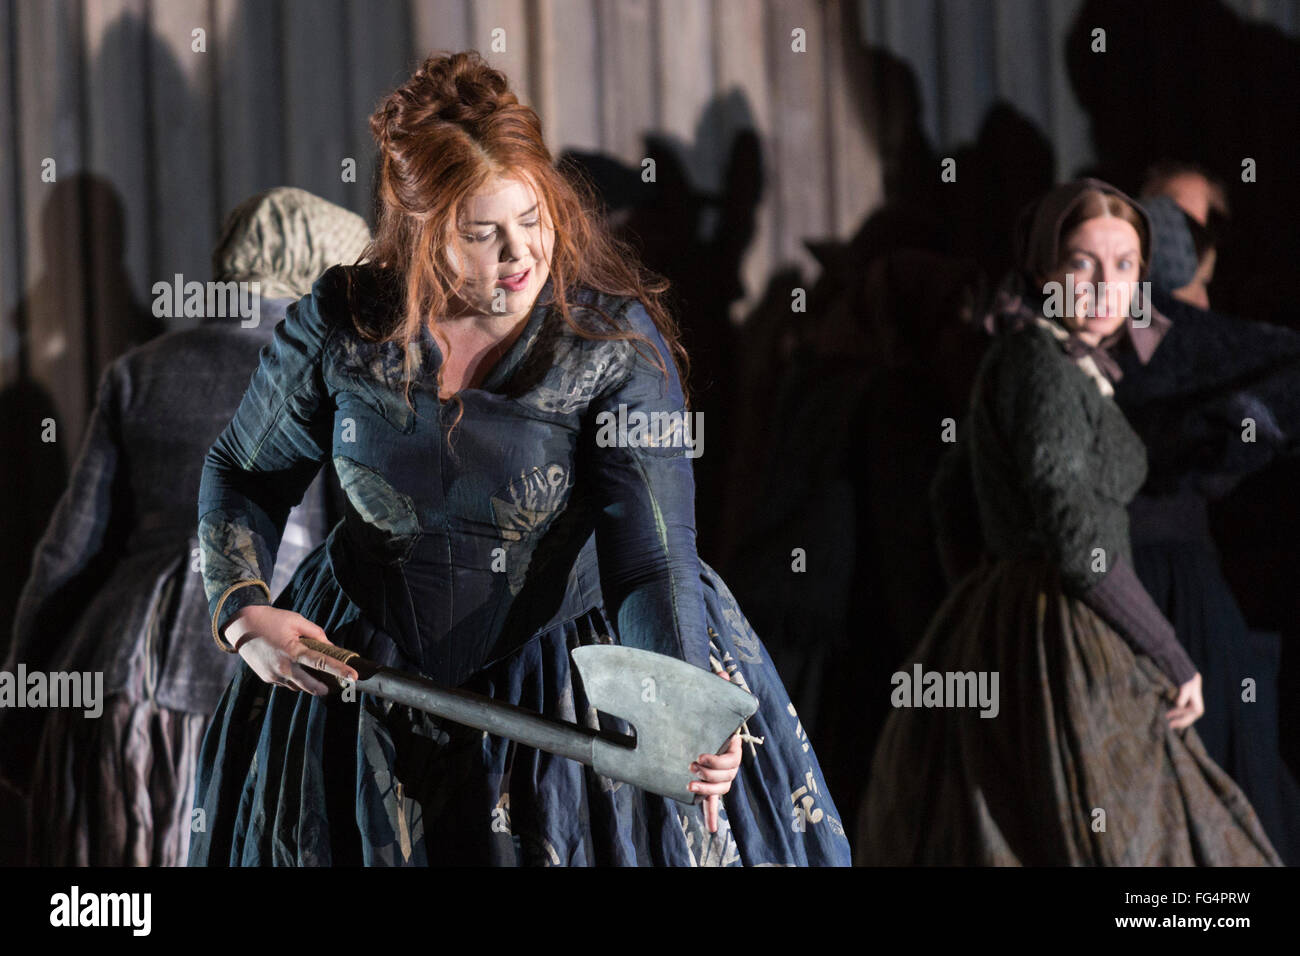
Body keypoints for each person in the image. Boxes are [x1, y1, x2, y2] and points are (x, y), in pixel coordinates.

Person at [187, 50, 850, 867]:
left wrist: (674, 709)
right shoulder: (344, 321)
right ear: (424, 232)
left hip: (569, 684)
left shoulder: (608, 342)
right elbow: (243, 471)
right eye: (484, 233)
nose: (521, 253)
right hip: (364, 678)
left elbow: (651, 555)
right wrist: (242, 612)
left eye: (533, 219)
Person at [857, 179, 1281, 865]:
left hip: (1037, 620)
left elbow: (951, 497)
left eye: (1124, 267)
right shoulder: (1041, 363)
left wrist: (986, 601)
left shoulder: (1067, 360)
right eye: (1082, 262)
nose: (1104, 285)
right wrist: (1169, 654)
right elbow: (1073, 533)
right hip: (1066, 630)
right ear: (1045, 269)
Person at [0, 187, 369, 865]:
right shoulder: (344, 379)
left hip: (108, 681)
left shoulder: (140, 371)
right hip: (261, 683)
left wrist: (20, 722)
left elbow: (64, 562)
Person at [1113, 194, 1300, 863]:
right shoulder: (1105, 334)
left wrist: (1217, 446)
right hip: (1135, 587)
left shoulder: (1163, 334)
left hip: (1165, 587)